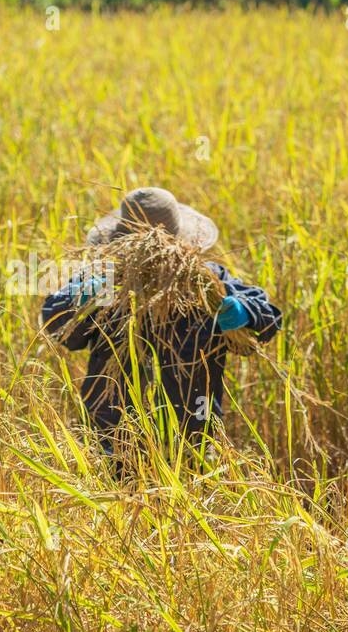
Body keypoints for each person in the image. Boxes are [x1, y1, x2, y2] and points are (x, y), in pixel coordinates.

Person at [41, 187, 282, 466]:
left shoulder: (204, 284)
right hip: (114, 438)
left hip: (190, 437)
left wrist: (244, 312)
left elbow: (268, 318)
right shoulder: (105, 282)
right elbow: (58, 327)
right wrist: (79, 301)